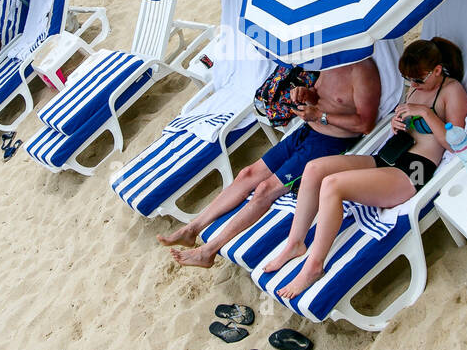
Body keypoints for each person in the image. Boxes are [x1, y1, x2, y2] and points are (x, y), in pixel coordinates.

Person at [262, 38, 467, 300]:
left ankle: (314, 265)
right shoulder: (415, 89)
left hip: (413, 170)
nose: (413, 85)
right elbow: (408, 119)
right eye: (408, 80)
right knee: (315, 169)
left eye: (418, 80)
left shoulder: (452, 92)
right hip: (388, 156)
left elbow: (456, 143)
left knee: (333, 186)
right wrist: (397, 122)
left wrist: (426, 115)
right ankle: (295, 243)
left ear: (438, 70)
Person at [163, 57, 382, 267]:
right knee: (246, 174)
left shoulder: (363, 72)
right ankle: (192, 229)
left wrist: (320, 117)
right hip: (306, 131)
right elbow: (325, 97)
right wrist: (307, 94)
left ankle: (207, 252)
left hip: (330, 143)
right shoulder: (332, 58)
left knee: (264, 190)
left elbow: (365, 125)